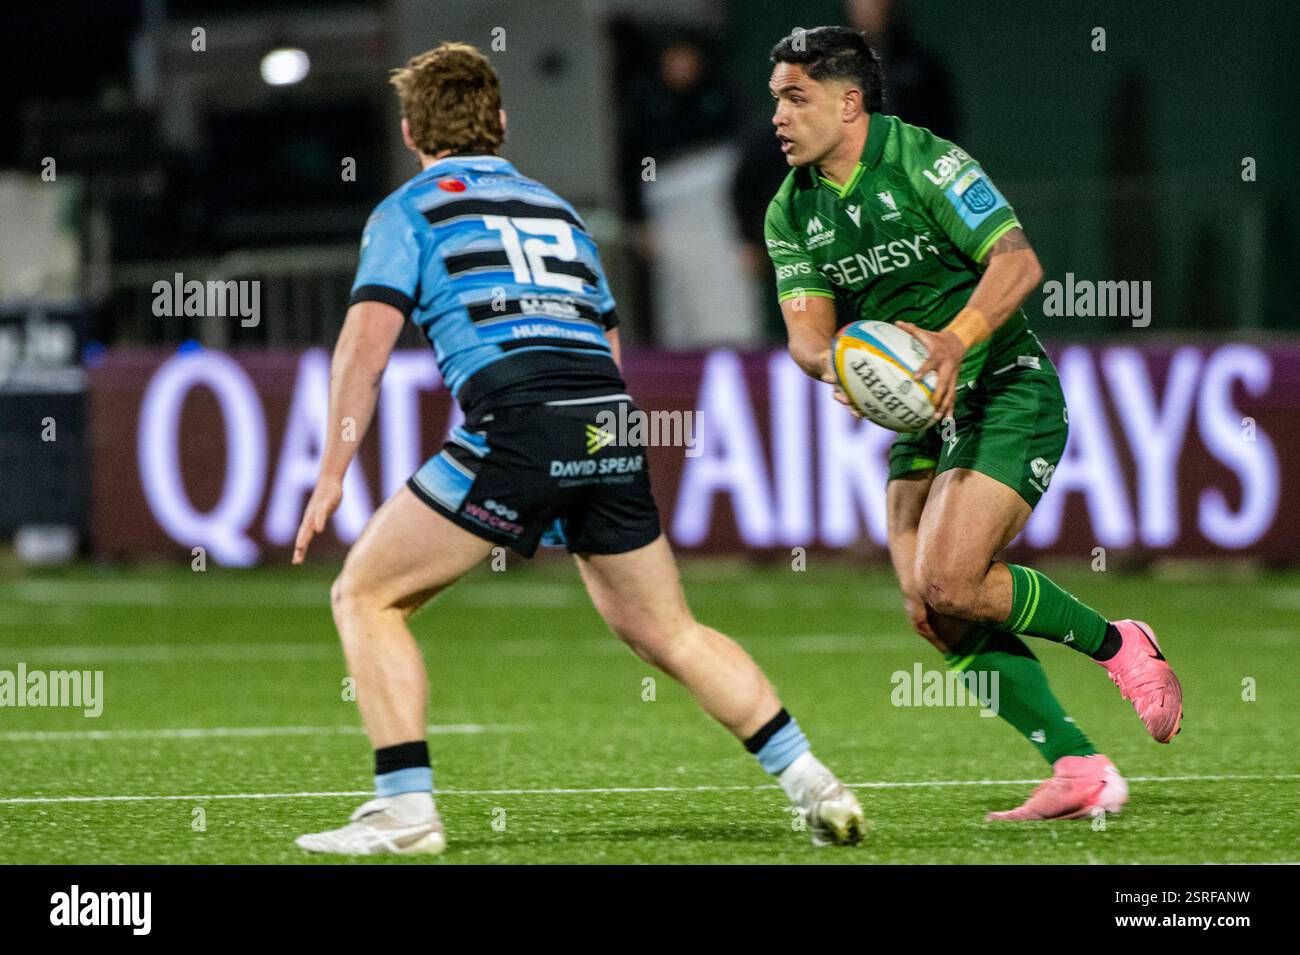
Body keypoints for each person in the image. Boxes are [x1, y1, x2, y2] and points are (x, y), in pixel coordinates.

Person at [290, 42, 864, 854]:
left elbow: (364, 346)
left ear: (413, 130)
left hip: (520, 418)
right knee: (669, 630)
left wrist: (332, 469)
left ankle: (405, 810)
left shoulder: (407, 210)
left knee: (365, 595)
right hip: (607, 419)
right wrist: (590, 460)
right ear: (501, 123)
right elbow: (606, 342)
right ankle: (816, 783)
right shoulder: (558, 210)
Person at [763, 27, 1183, 820]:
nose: (778, 117)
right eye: (775, 100)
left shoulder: (928, 163)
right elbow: (806, 335)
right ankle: (1078, 766)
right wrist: (840, 367)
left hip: (1003, 387)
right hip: (922, 412)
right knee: (931, 610)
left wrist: (954, 342)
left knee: (952, 579)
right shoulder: (793, 210)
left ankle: (1119, 642)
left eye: (796, 98)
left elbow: (1020, 263)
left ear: (850, 102)